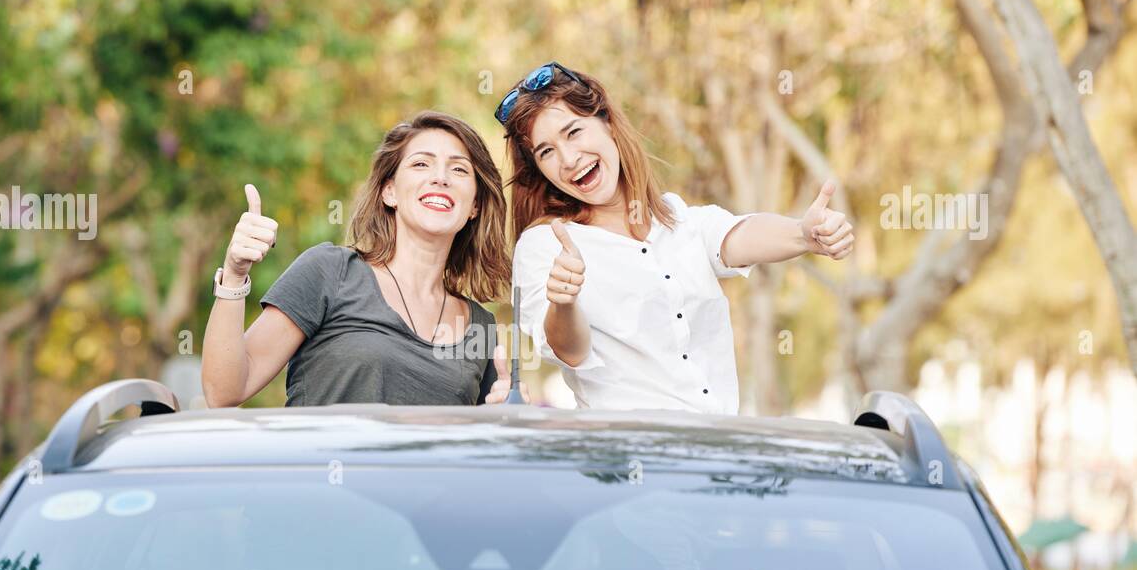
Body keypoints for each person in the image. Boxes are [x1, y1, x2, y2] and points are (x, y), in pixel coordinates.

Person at [499, 61, 854, 414]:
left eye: (573, 132)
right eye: (546, 151)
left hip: (715, 449)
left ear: (606, 121)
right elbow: (570, 351)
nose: (569, 158)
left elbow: (736, 236)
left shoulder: (677, 218)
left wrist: (803, 234)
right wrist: (564, 301)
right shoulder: (544, 245)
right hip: (630, 456)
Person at [201, 110, 526, 407]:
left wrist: (502, 418)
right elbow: (224, 391)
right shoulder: (331, 272)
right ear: (390, 192)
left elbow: (477, 454)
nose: (441, 177)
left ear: (475, 207)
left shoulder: (481, 326)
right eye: (421, 164)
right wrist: (234, 274)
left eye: (458, 169)